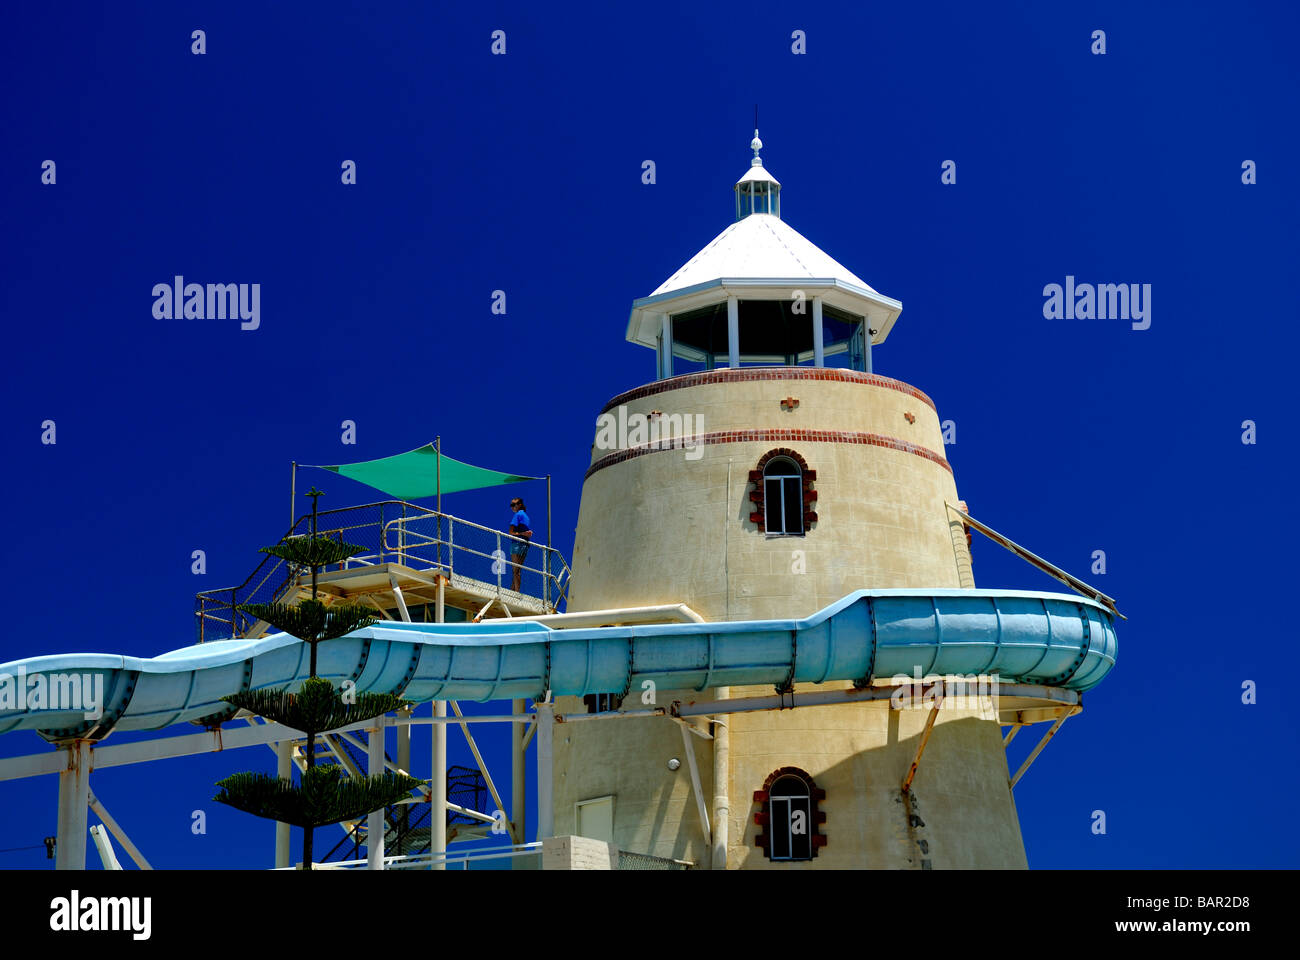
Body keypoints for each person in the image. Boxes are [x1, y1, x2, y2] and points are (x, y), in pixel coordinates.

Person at [507, 497, 532, 592]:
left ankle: (515, 592)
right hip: (525, 545)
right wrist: (525, 534)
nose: (512, 507)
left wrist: (522, 534)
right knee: (518, 571)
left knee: (515, 571)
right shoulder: (526, 516)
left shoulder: (518, 515)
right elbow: (526, 532)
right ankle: (513, 590)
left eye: (514, 504)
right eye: (511, 505)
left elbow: (511, 532)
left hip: (517, 544)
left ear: (520, 504)